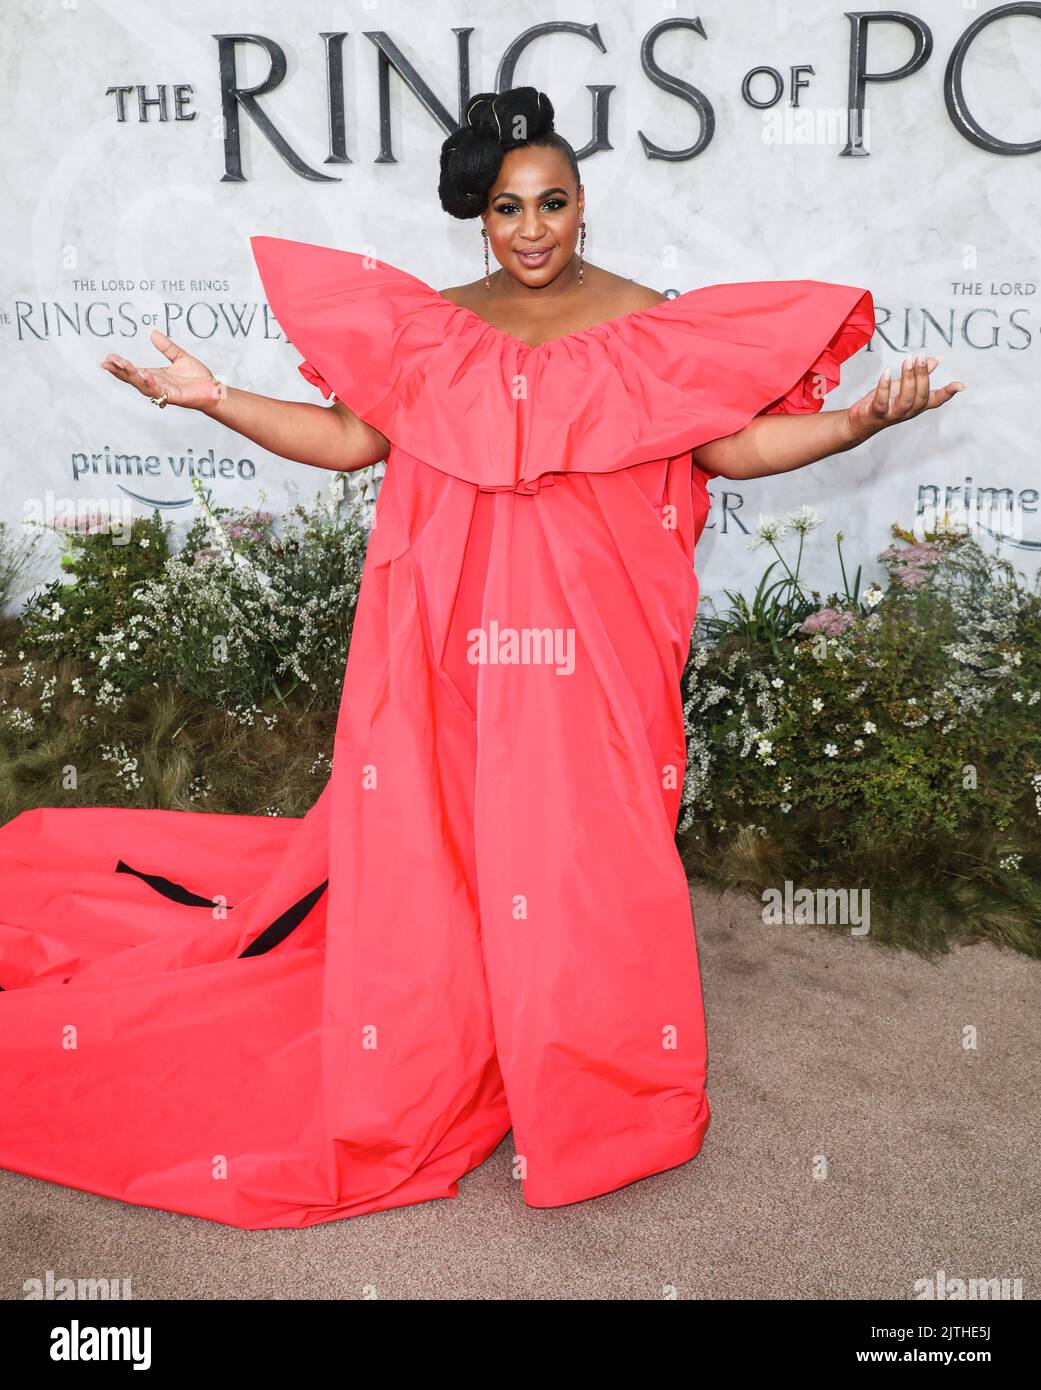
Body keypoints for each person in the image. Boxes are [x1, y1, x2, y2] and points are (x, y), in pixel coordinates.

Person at [0, 87, 962, 1230]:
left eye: (553, 202)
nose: (534, 228)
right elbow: (353, 443)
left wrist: (856, 425)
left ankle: (586, 1074)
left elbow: (735, 445)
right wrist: (218, 400)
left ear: (583, 202)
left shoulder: (653, 323)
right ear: (481, 218)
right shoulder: (432, 325)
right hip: (447, 645)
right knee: (445, 845)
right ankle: (451, 1040)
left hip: (596, 653)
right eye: (510, 208)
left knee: (584, 852)